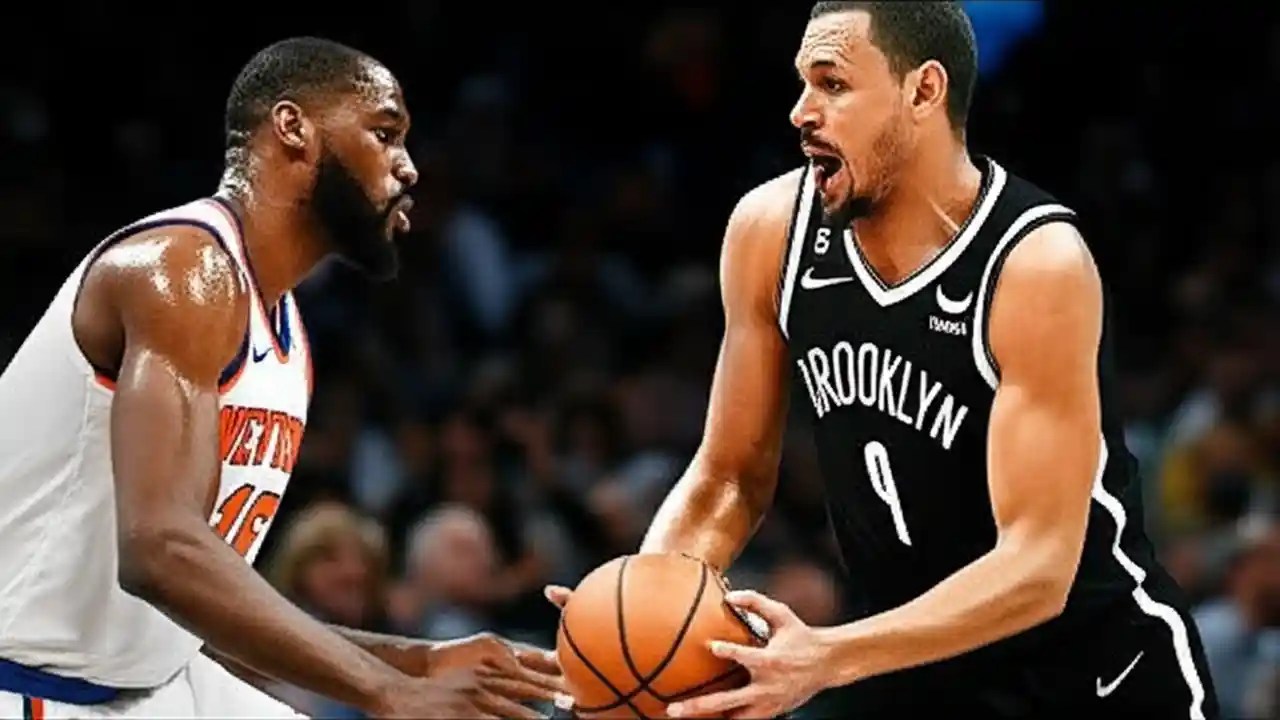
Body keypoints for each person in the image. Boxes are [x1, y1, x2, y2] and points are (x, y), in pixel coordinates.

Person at [548, 3, 1220, 718]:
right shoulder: (770, 232)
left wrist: (827, 655)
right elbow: (730, 477)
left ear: (923, 90)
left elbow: (1039, 566)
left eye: (832, 84)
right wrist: (644, 610)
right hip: (910, 670)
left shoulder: (1033, 264)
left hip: (1098, 679)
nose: (801, 111)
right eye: (803, 83)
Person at [0, 37, 559, 719]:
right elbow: (160, 551)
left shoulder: (282, 327)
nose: (409, 167)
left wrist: (414, 659)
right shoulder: (183, 271)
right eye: (385, 134)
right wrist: (391, 690)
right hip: (27, 680)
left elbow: (196, 614)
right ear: (293, 127)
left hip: (152, 682)